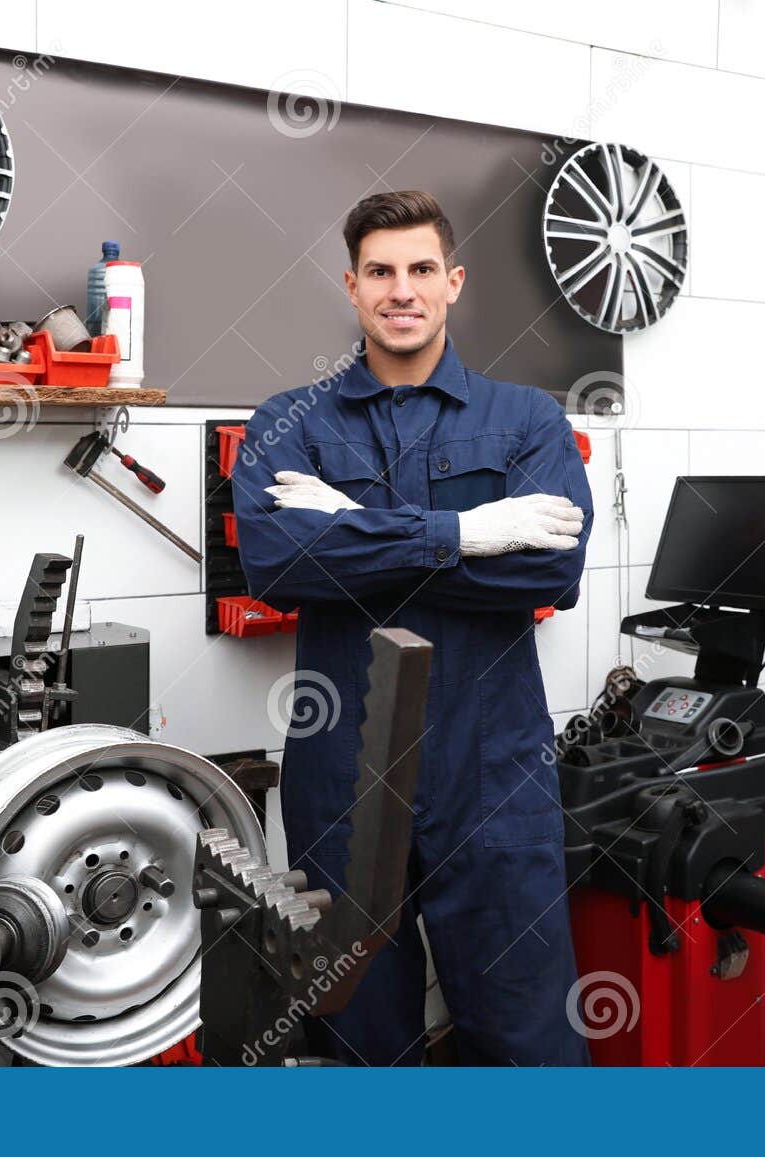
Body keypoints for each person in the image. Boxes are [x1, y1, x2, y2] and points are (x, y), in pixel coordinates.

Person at [230, 189, 593, 1065]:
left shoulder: (529, 419)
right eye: (381, 272)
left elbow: (552, 569)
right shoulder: (288, 422)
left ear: (454, 281)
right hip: (341, 781)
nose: (403, 289)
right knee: (361, 1051)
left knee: (530, 1042)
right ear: (352, 287)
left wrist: (349, 525)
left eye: (421, 269)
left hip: (495, 779)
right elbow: (278, 564)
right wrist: (466, 532)